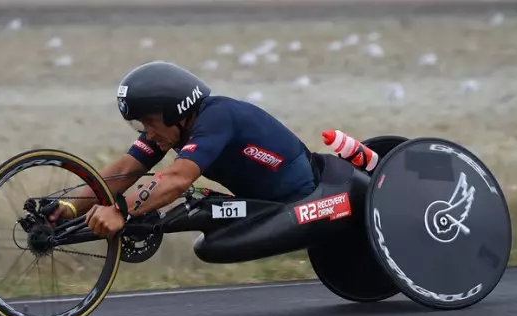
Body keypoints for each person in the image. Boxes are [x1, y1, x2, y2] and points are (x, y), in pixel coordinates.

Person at [48, 60, 319, 238]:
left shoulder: (217, 117)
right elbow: (123, 171)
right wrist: (71, 208)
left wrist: (120, 210)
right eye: (141, 124)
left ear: (178, 112)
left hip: (302, 194)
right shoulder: (171, 129)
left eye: (151, 122)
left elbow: (177, 178)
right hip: (262, 200)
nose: (148, 132)